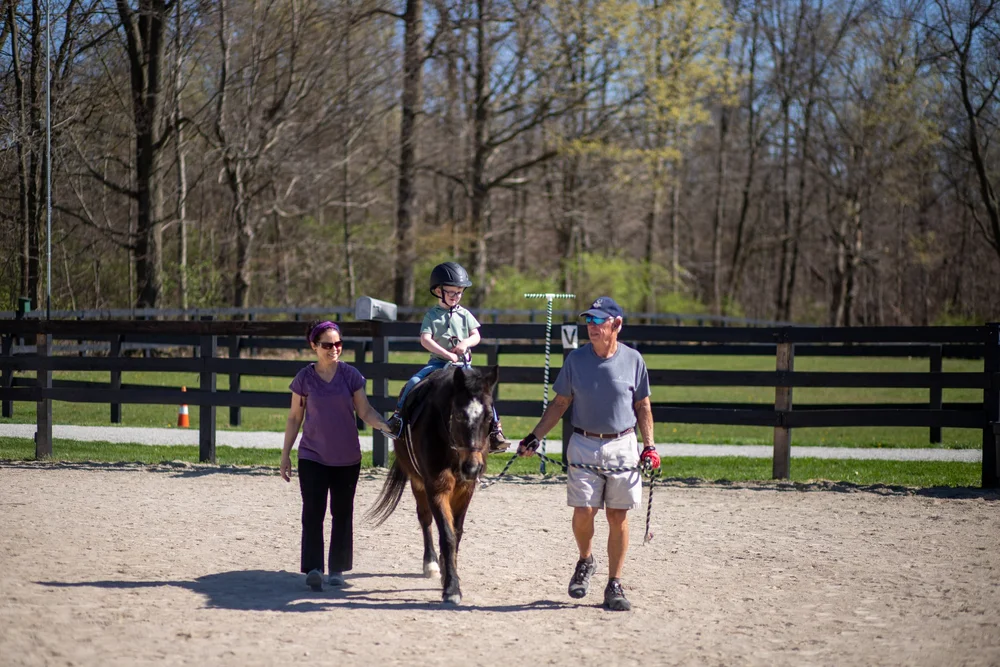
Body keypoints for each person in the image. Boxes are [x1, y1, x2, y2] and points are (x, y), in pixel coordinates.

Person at [516, 296, 661, 612]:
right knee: (583, 511)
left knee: (617, 516)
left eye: (598, 320)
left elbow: (643, 406)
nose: (591, 326)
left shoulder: (634, 360)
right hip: (583, 443)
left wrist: (649, 446)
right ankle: (586, 560)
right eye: (589, 321)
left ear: (616, 324)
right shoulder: (576, 360)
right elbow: (560, 403)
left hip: (623, 445)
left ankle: (614, 583)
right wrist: (534, 437)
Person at [280, 320, 394, 591]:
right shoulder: (304, 378)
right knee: (313, 512)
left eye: (338, 344)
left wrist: (387, 426)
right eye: (327, 344)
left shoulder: (350, 376)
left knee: (342, 513)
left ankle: (337, 569)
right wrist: (285, 455)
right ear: (314, 346)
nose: (334, 349)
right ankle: (314, 569)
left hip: (347, 458)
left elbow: (365, 411)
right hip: (312, 456)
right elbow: (294, 417)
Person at [385, 261, 505, 450]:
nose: (455, 296)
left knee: (482, 393)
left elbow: (476, 336)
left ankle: (495, 430)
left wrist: (465, 344)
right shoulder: (431, 316)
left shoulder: (465, 314)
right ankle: (398, 419)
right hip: (438, 363)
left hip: (463, 366)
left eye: (459, 292)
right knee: (413, 382)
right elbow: (425, 339)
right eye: (451, 292)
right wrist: (446, 354)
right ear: (438, 291)